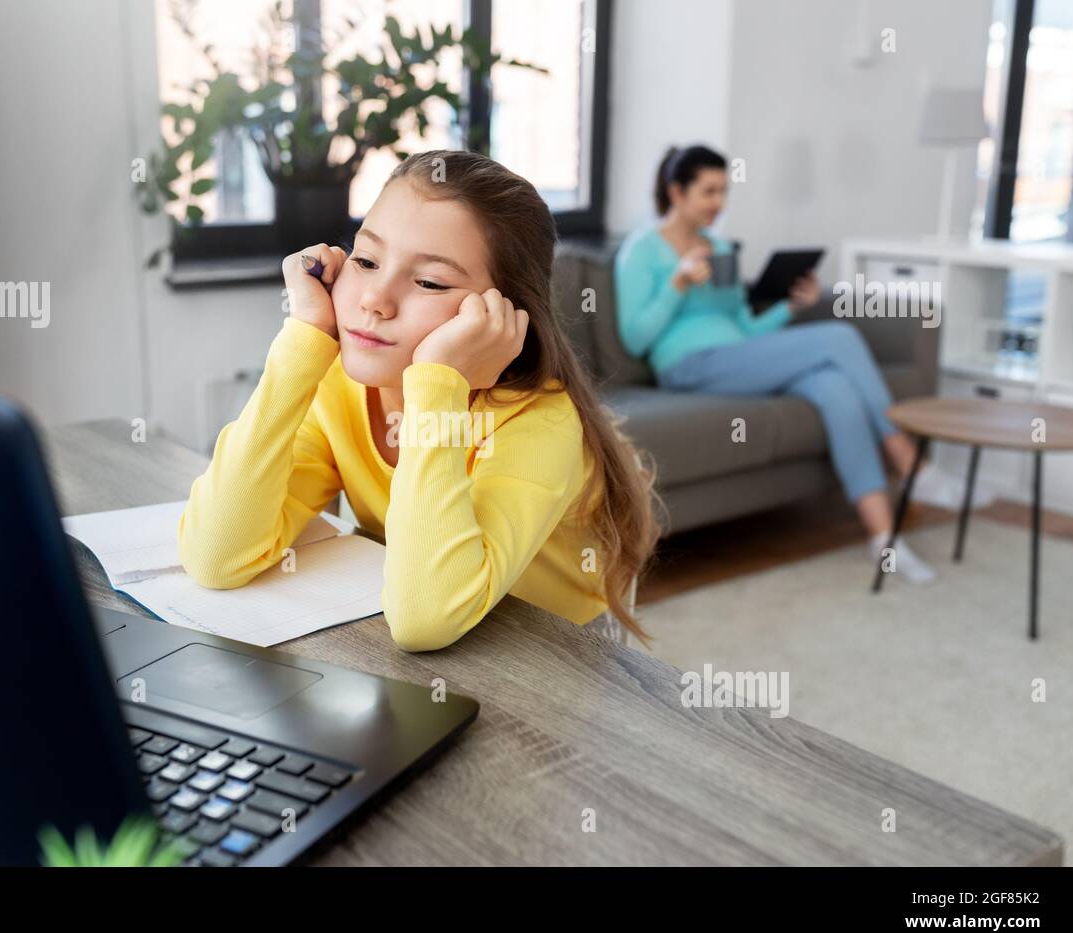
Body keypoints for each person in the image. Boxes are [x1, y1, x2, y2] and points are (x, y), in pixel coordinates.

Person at [179, 150, 659, 650]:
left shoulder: (540, 423)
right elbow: (217, 556)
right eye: (365, 260)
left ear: (499, 314)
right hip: (439, 639)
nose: (374, 300)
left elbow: (422, 622)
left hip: (554, 656)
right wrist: (303, 339)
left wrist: (437, 385)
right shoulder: (340, 386)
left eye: (429, 281)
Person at [615, 144, 955, 583]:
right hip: (687, 366)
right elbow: (635, 338)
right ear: (677, 192)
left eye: (724, 191)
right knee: (839, 336)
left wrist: (792, 307)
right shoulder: (642, 249)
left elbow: (745, 329)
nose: (719, 202)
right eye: (709, 191)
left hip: (738, 359)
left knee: (835, 386)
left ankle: (884, 539)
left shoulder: (720, 248)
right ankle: (909, 462)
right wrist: (677, 282)